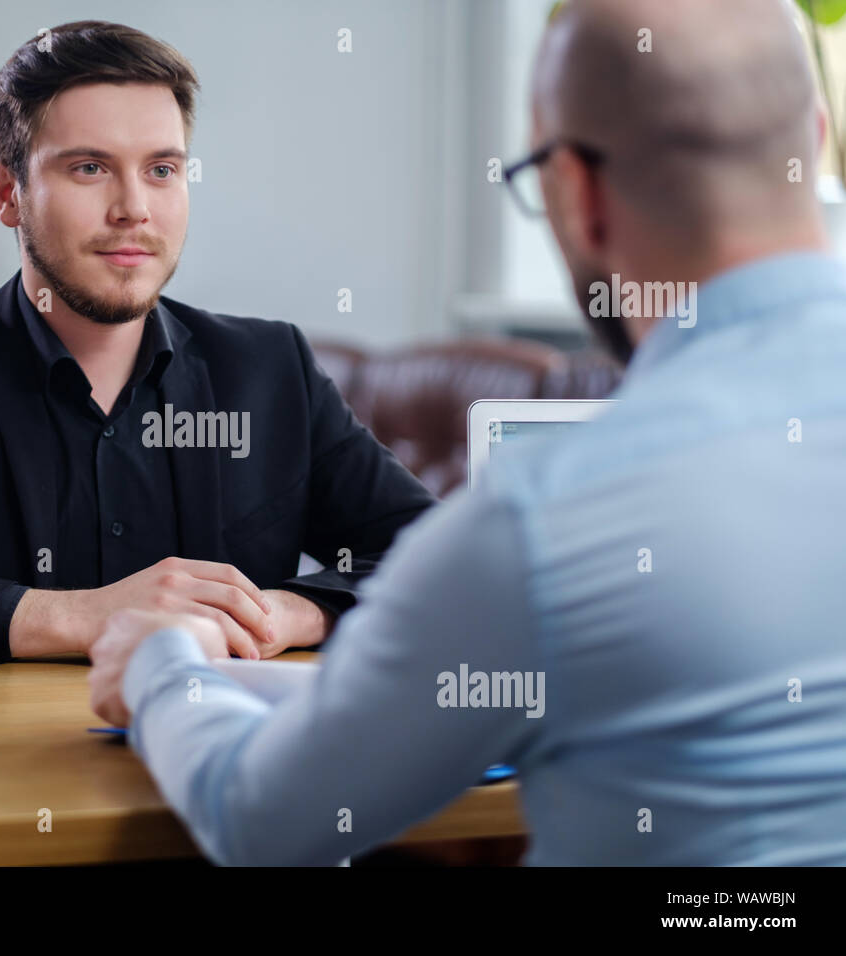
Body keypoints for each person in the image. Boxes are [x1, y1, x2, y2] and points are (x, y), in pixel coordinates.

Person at [89, 0, 846, 865]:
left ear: (579, 192)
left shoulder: (547, 519)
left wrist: (162, 666)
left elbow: (264, 822)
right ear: (813, 136)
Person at [0, 21, 435, 667]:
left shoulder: (270, 368)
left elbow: (437, 556)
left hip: (200, 769)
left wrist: (287, 611)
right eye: (89, 168)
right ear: (8, 193)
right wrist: (67, 617)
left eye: (162, 169)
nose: (134, 208)